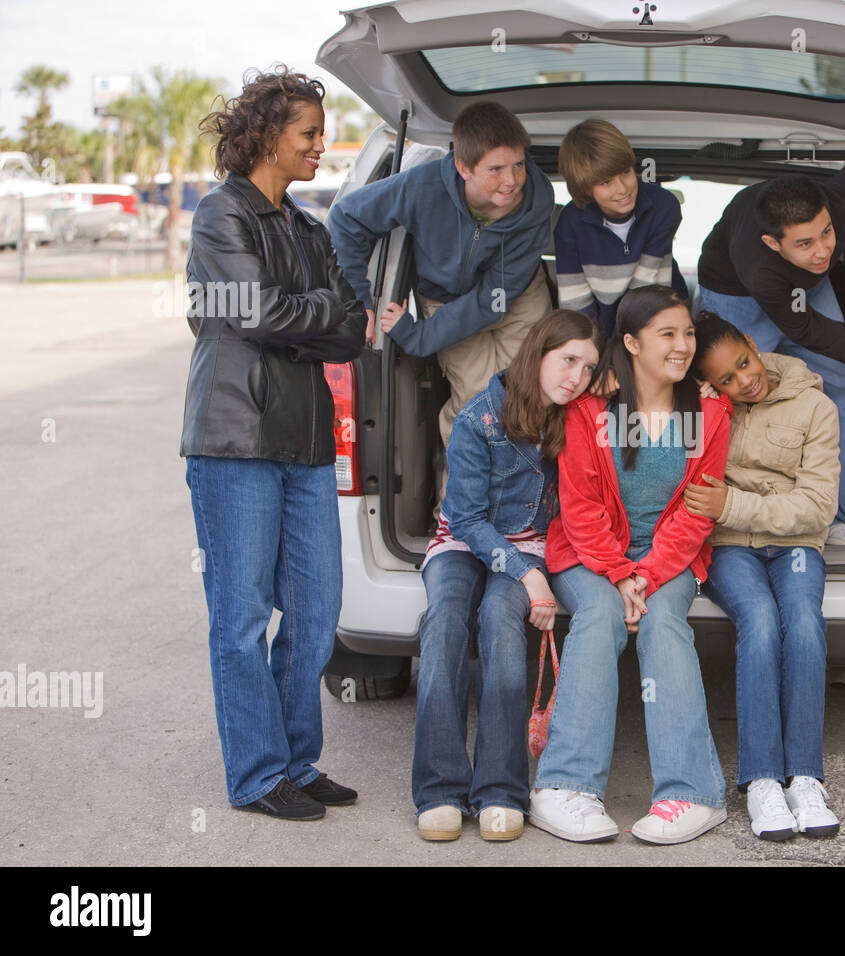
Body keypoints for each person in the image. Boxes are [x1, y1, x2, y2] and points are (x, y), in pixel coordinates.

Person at [183, 66, 367, 820]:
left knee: (317, 612)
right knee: (241, 616)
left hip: (306, 441)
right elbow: (254, 313)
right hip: (234, 439)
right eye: (308, 135)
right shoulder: (218, 216)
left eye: (321, 136)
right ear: (265, 136)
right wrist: (311, 313)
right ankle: (258, 776)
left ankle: (296, 759)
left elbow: (351, 330)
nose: (320, 147)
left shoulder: (310, 229)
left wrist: (308, 314)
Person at [530, 286, 731, 845]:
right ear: (631, 342)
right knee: (598, 618)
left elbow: (697, 511)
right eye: (668, 333)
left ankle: (691, 794)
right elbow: (581, 506)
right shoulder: (591, 409)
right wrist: (619, 572)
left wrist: (647, 574)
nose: (683, 345)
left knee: (664, 623)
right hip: (590, 553)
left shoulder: (709, 410)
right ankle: (564, 788)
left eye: (688, 332)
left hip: (668, 560)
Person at [413, 309, 602, 843]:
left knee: (499, 621)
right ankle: (440, 790)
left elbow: (639, 393)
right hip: (465, 538)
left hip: (534, 542)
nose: (576, 378)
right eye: (568, 361)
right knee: (446, 620)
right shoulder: (481, 417)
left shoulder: (582, 415)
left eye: (588, 368)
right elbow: (468, 520)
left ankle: (500, 790)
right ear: (539, 352)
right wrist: (528, 576)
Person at [695, 139, 845, 546]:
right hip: (735, 295)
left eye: (826, 232)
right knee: (731, 401)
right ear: (773, 243)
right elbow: (805, 330)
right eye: (806, 243)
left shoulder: (838, 204)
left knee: (842, 386)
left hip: (803, 291)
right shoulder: (760, 267)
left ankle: (840, 520)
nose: (824, 250)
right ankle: (731, 522)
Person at [684, 312, 842, 841]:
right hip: (730, 546)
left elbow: (817, 507)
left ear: (753, 345)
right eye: (725, 378)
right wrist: (704, 402)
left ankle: (805, 777)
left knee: (801, 619)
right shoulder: (709, 408)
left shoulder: (815, 406)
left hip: (795, 543)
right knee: (759, 618)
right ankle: (761, 781)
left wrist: (733, 502)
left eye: (744, 364)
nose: (742, 381)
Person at [328, 101, 554, 450]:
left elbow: (493, 298)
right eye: (495, 169)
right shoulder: (423, 186)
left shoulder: (537, 198)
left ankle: (523, 500)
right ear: (463, 167)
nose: (512, 181)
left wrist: (420, 337)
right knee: (476, 406)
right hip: (446, 298)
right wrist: (358, 301)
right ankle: (458, 504)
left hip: (515, 293)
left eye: (519, 165)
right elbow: (347, 219)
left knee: (528, 400)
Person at [554, 118, 689, 337]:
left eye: (626, 172)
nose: (622, 189)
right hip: (601, 319)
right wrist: (594, 347)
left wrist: (622, 346)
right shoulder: (570, 224)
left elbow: (646, 286)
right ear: (585, 188)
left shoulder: (664, 207)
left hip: (658, 307)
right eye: (606, 182)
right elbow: (576, 299)